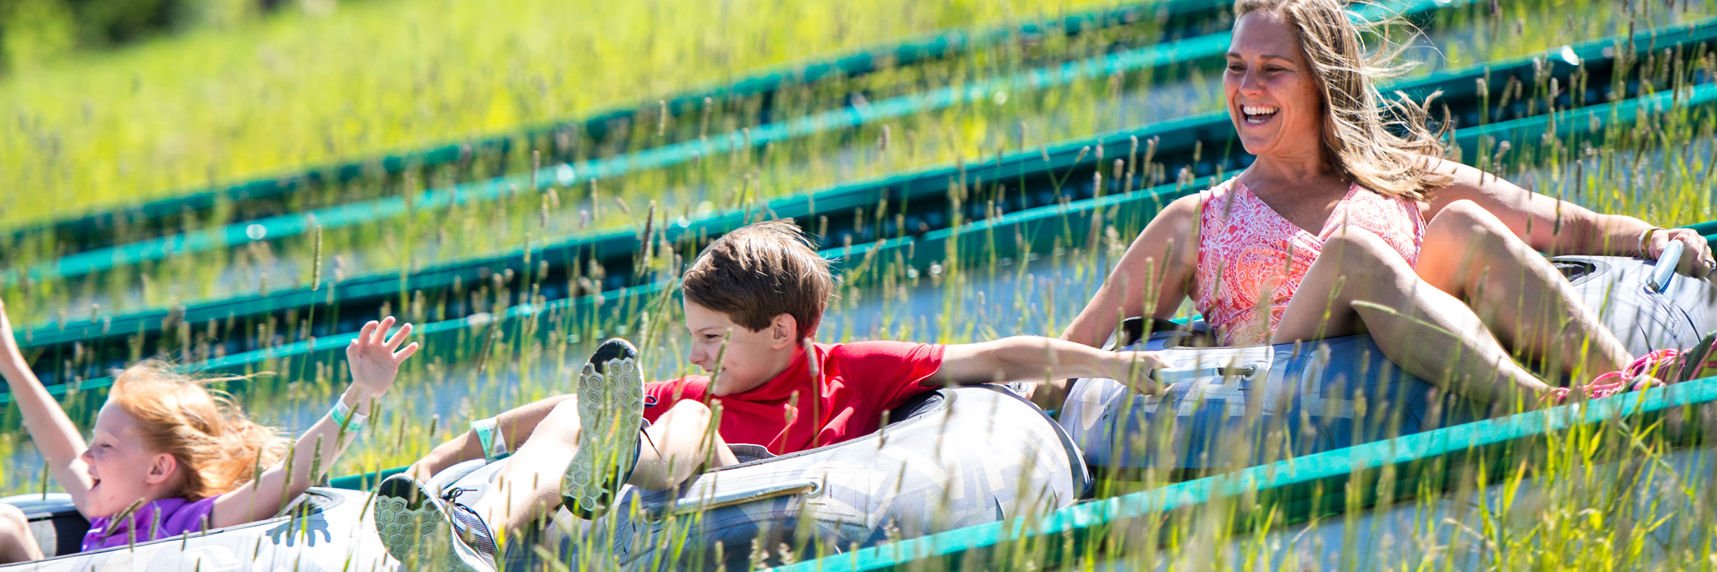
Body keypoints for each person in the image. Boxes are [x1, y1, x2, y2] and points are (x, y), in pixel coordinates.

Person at [1062, 0, 1717, 407]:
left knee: (1456, 225)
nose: (1247, 88)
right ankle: (1546, 406)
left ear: (1321, 84)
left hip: (1399, 357)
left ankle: (1624, 383)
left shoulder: (1395, 175)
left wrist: (1650, 236)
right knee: (1355, 255)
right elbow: (1077, 345)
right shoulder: (1197, 221)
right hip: (1278, 384)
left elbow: (1557, 221)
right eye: (1236, 68)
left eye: (1272, 71)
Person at [370, 219, 1170, 571]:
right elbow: (531, 415)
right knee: (589, 407)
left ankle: (629, 461)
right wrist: (439, 461)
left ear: (784, 332)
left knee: (688, 413)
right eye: (692, 336)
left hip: (752, 484)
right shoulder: (700, 378)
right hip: (680, 489)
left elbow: (1000, 355)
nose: (696, 353)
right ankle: (477, 531)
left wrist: (1109, 368)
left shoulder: (853, 370)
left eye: (713, 339)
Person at [0, 289, 417, 572]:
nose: (87, 454)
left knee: (5, 527)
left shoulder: (193, 523)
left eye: (105, 445)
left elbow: (293, 475)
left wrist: (359, 393)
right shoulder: (105, 506)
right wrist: (8, 357)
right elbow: (54, 439)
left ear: (159, 470)